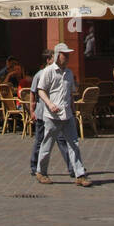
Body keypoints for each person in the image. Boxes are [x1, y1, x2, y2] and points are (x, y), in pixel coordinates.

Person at [35, 43, 91, 186]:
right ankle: (41, 172)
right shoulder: (48, 71)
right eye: (64, 54)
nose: (67, 57)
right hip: (52, 116)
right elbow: (40, 90)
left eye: (68, 55)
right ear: (57, 55)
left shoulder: (69, 73)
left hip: (67, 115)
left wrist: (73, 108)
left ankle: (80, 174)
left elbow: (70, 93)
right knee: (47, 145)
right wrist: (49, 104)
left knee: (74, 144)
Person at [28, 49, 72, 178]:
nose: (56, 59)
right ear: (48, 60)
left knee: (62, 140)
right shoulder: (40, 74)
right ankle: (34, 166)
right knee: (40, 140)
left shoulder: (63, 72)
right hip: (42, 113)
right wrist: (32, 110)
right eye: (54, 57)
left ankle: (72, 166)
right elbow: (33, 92)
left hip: (58, 114)